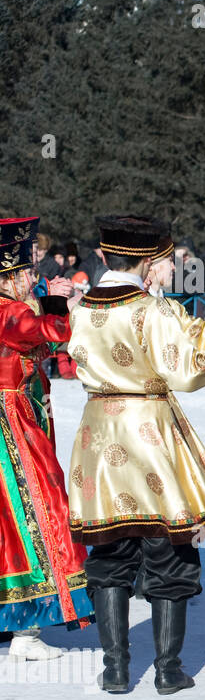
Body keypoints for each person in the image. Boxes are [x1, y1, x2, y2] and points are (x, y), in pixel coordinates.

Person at [67, 215, 205, 694]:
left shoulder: (80, 309)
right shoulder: (154, 311)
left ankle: (116, 667)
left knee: (108, 547)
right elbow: (188, 370)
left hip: (98, 431)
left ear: (105, 256)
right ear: (149, 262)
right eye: (165, 261)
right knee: (169, 546)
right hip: (149, 431)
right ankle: (167, 669)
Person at [0, 217, 94, 660]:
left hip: (16, 411)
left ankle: (13, 619)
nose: (29, 281)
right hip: (11, 419)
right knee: (35, 512)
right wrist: (57, 305)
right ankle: (27, 630)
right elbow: (51, 335)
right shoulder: (10, 310)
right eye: (24, 275)